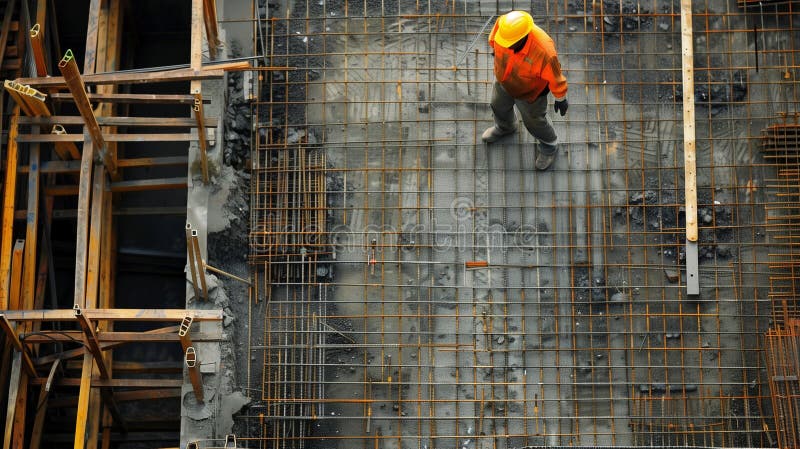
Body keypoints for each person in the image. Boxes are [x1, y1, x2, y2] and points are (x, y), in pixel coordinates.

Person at [482, 10, 568, 171]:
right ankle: (505, 127)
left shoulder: (544, 50)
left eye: (509, 43)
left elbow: (556, 77)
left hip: (530, 93)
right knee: (497, 106)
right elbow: (494, 40)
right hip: (504, 81)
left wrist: (560, 98)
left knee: (535, 122)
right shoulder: (504, 26)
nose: (505, 44)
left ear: (522, 38)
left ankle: (549, 146)